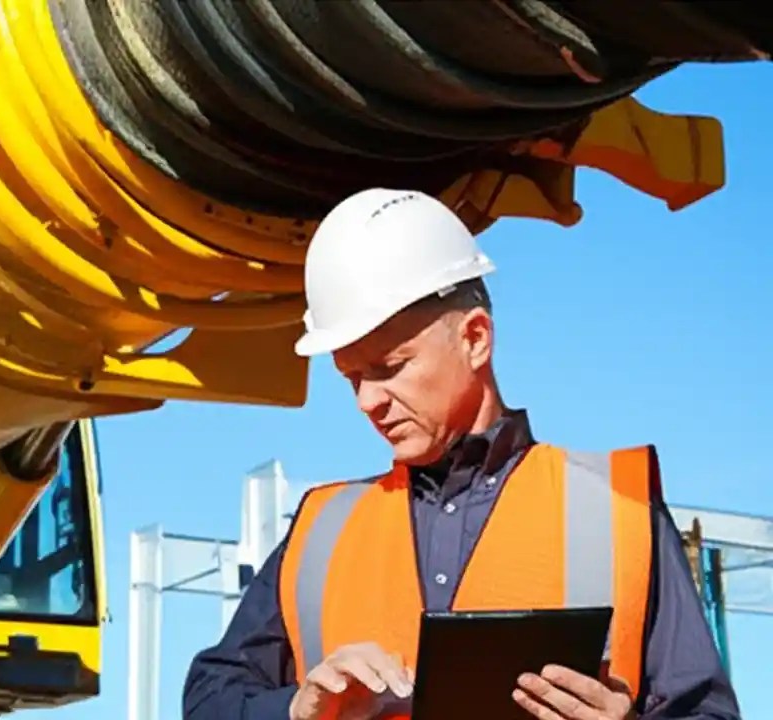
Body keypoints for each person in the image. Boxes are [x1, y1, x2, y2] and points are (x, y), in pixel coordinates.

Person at [181, 188, 742, 720]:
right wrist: (295, 709)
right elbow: (210, 698)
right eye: (351, 377)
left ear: (475, 338)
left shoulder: (617, 509)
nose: (368, 402)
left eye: (389, 367)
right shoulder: (321, 532)